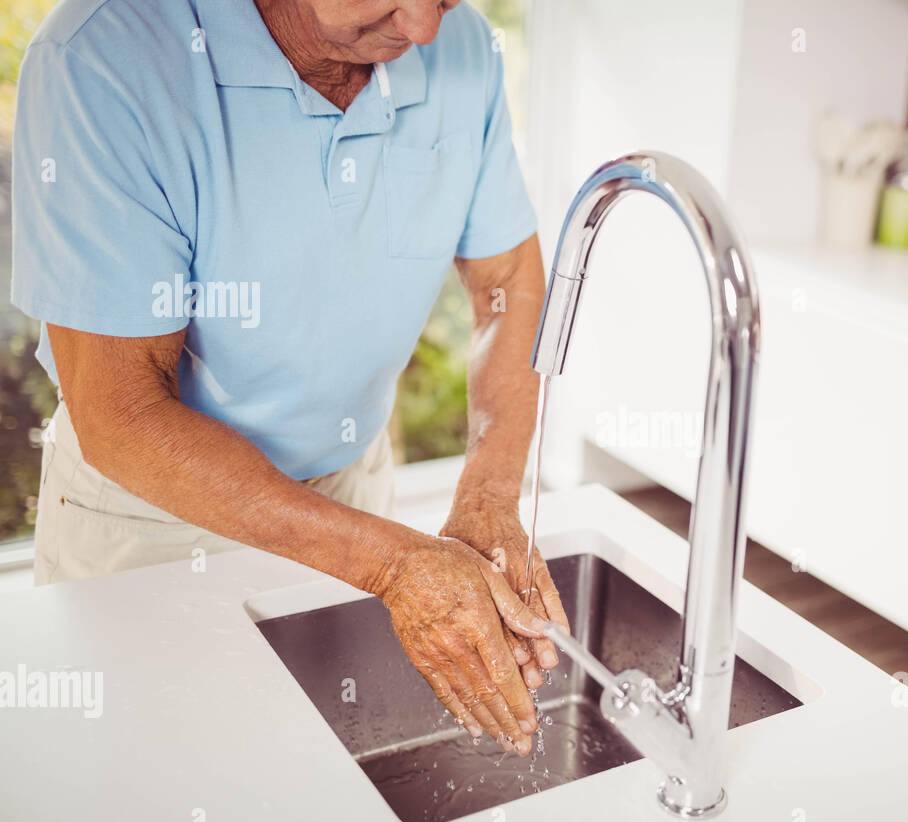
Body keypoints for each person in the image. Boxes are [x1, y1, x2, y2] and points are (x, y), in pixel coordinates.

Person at [10, 0, 566, 756]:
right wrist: (394, 564)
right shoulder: (102, 57)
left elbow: (508, 282)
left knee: (319, 777)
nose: (427, 31)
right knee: (151, 786)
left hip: (352, 489)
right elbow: (122, 413)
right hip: (148, 522)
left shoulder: (458, 44)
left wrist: (491, 495)